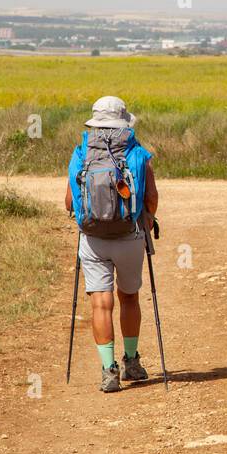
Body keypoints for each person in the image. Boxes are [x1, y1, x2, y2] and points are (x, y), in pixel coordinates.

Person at [64, 96, 158, 393]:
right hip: (130, 236)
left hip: (93, 239)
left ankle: (108, 371)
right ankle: (131, 361)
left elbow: (68, 201)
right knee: (129, 298)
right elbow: (152, 198)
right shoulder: (138, 153)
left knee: (100, 304)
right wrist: (147, 220)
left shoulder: (81, 153)